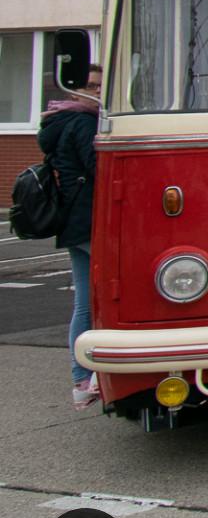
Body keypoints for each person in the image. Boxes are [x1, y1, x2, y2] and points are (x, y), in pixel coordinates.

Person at [40, 63, 101, 410]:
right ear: (74, 88)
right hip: (88, 221)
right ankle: (87, 374)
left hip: (74, 222)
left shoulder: (58, 121)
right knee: (96, 301)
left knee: (85, 300)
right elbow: (99, 169)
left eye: (99, 86)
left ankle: (82, 378)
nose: (95, 92)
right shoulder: (82, 122)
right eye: (91, 86)